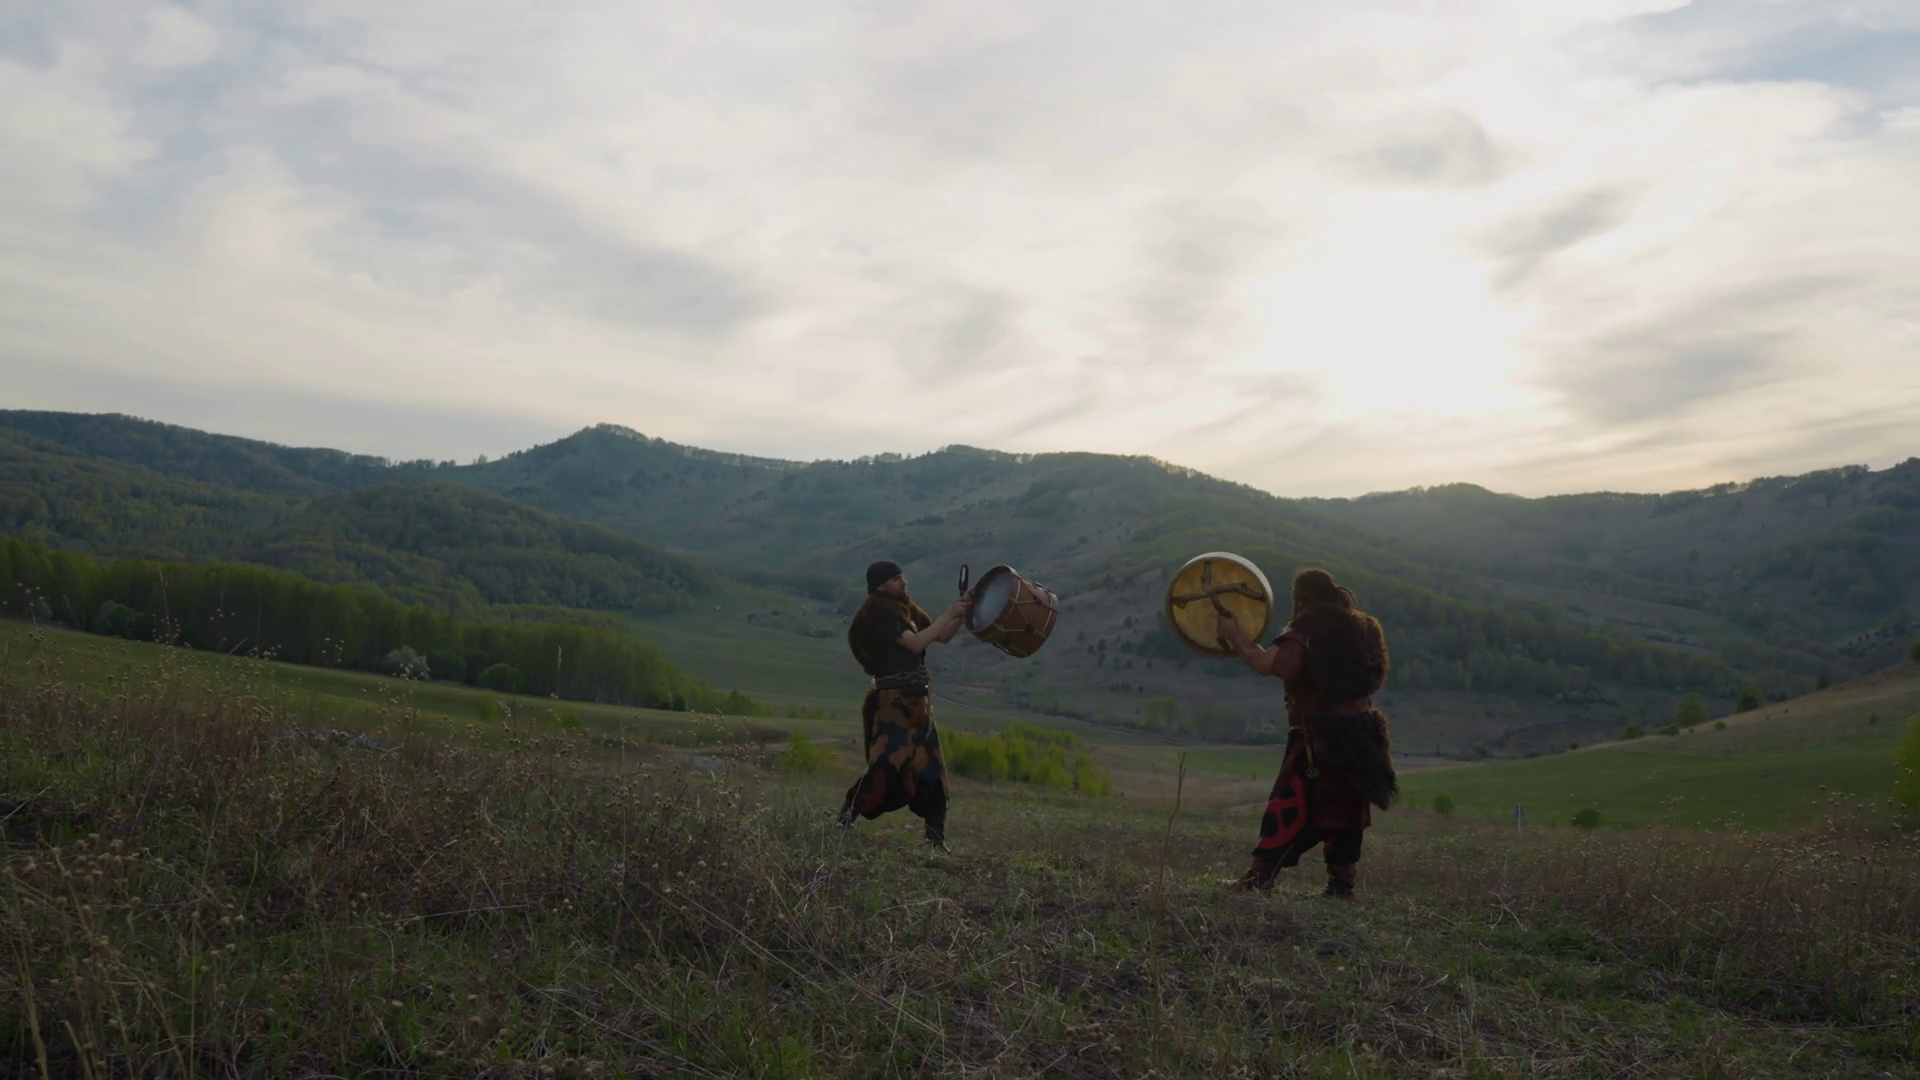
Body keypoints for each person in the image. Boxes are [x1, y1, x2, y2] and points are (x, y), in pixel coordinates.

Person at [1216, 568, 1397, 898]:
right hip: (1361, 737)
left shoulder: (1309, 630)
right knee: (1347, 812)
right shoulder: (1365, 627)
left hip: (1319, 740)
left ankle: (1260, 878)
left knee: (1289, 804)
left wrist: (1235, 635)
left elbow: (1269, 662)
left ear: (1301, 599)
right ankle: (1341, 886)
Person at [837, 560, 972, 848]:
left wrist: (961, 614)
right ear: (880, 585)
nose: (903, 583)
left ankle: (935, 838)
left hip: (918, 704)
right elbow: (916, 644)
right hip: (893, 705)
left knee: (932, 769)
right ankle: (846, 816)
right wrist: (950, 611)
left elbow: (941, 635)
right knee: (886, 766)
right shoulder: (877, 613)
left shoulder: (905, 608)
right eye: (897, 579)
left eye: (902, 577)